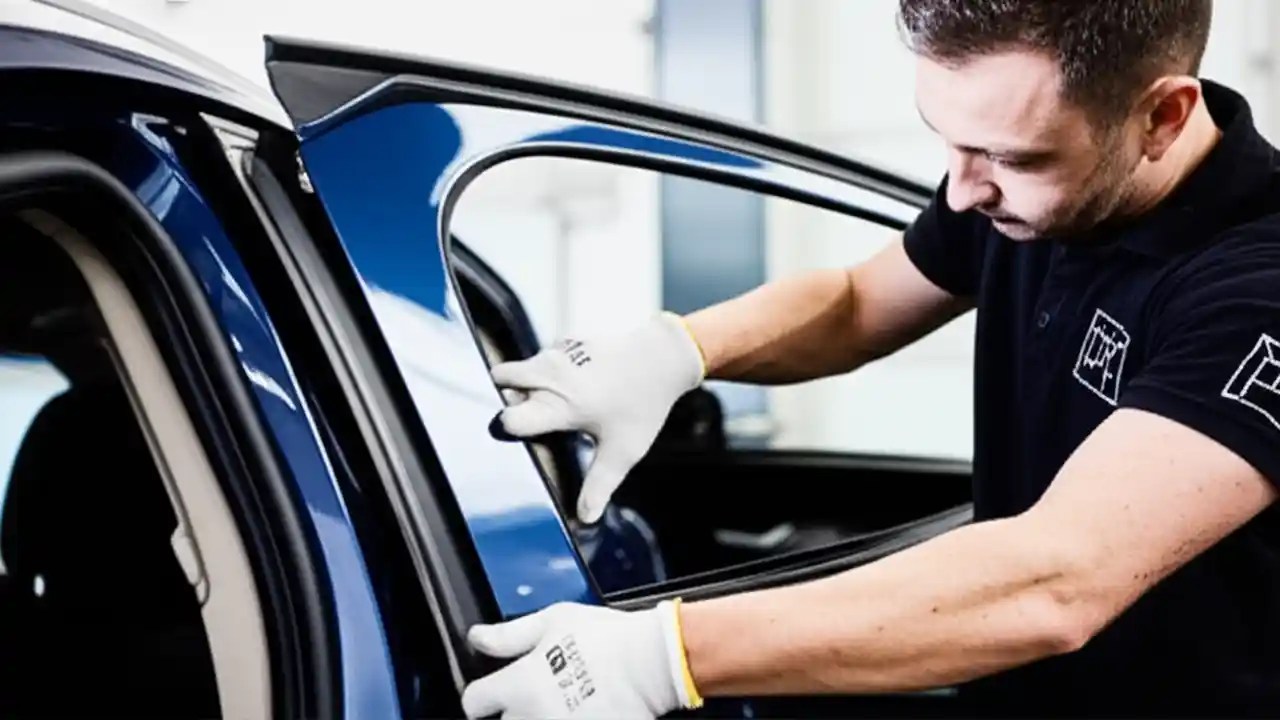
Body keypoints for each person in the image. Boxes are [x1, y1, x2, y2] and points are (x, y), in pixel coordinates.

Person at [460, 0, 1280, 716]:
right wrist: (677, 350)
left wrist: (664, 658)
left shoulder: (1256, 284)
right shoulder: (1022, 178)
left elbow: (1057, 580)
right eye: (950, 143)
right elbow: (858, 304)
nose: (962, 190)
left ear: (1162, 117)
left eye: (1011, 157)